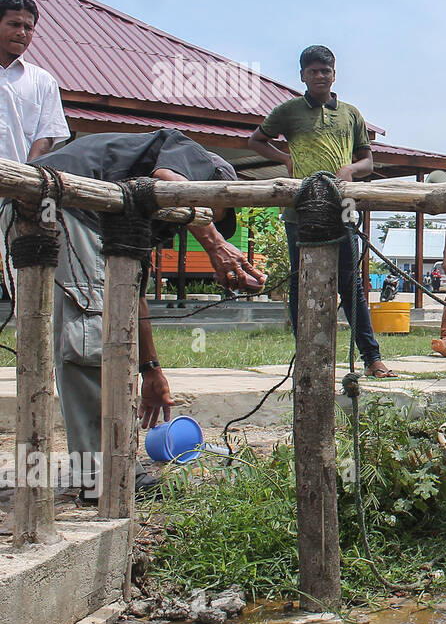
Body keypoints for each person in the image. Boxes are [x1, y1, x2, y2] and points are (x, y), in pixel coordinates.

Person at [14, 130, 265, 500]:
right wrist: (215, 246)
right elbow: (168, 182)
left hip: (50, 205)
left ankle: (97, 471)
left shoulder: (142, 211)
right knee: (89, 336)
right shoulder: (192, 154)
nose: (197, 221)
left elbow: (132, 295)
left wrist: (152, 371)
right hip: (66, 200)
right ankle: (101, 475)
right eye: (206, 214)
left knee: (88, 324)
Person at [248, 45, 395, 377]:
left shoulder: (351, 114)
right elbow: (255, 140)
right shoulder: (288, 112)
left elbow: (368, 161)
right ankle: (306, 354)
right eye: (312, 71)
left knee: (351, 283)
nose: (319, 76)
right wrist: (286, 159)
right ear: (302, 75)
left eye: (325, 70)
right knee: (301, 281)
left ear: (334, 74)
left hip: (341, 207)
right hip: (300, 210)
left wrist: (351, 169)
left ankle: (372, 357)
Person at [0, 0, 70, 164]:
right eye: (14, 24)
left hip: (14, 185)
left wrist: (29, 176)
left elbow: (47, 134)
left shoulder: (43, 81)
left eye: (28, 28)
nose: (22, 33)